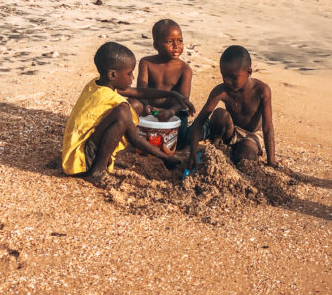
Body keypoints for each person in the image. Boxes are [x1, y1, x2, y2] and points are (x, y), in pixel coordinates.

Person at [62, 42, 187, 185]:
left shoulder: (96, 84)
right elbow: (134, 138)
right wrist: (165, 158)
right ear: (113, 74)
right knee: (123, 114)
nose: (132, 77)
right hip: (81, 159)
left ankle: (103, 159)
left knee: (135, 106)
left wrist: (172, 94)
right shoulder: (114, 100)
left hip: (72, 153)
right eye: (129, 73)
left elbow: (138, 92)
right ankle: (97, 171)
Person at [189, 45, 277, 167]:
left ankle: (241, 150)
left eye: (233, 78)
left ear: (249, 72)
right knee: (220, 114)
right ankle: (216, 143)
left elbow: (268, 127)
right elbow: (199, 122)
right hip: (231, 130)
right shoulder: (221, 91)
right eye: (223, 76)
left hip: (251, 135)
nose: (227, 81)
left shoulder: (262, 90)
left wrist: (271, 161)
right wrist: (192, 152)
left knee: (245, 158)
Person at [135, 19, 193, 146]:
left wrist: (170, 112)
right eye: (169, 42)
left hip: (173, 113)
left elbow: (183, 100)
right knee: (132, 105)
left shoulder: (184, 69)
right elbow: (141, 89)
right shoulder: (146, 63)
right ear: (156, 45)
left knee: (182, 140)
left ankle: (203, 129)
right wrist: (145, 106)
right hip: (151, 112)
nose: (176, 46)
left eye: (180, 40)